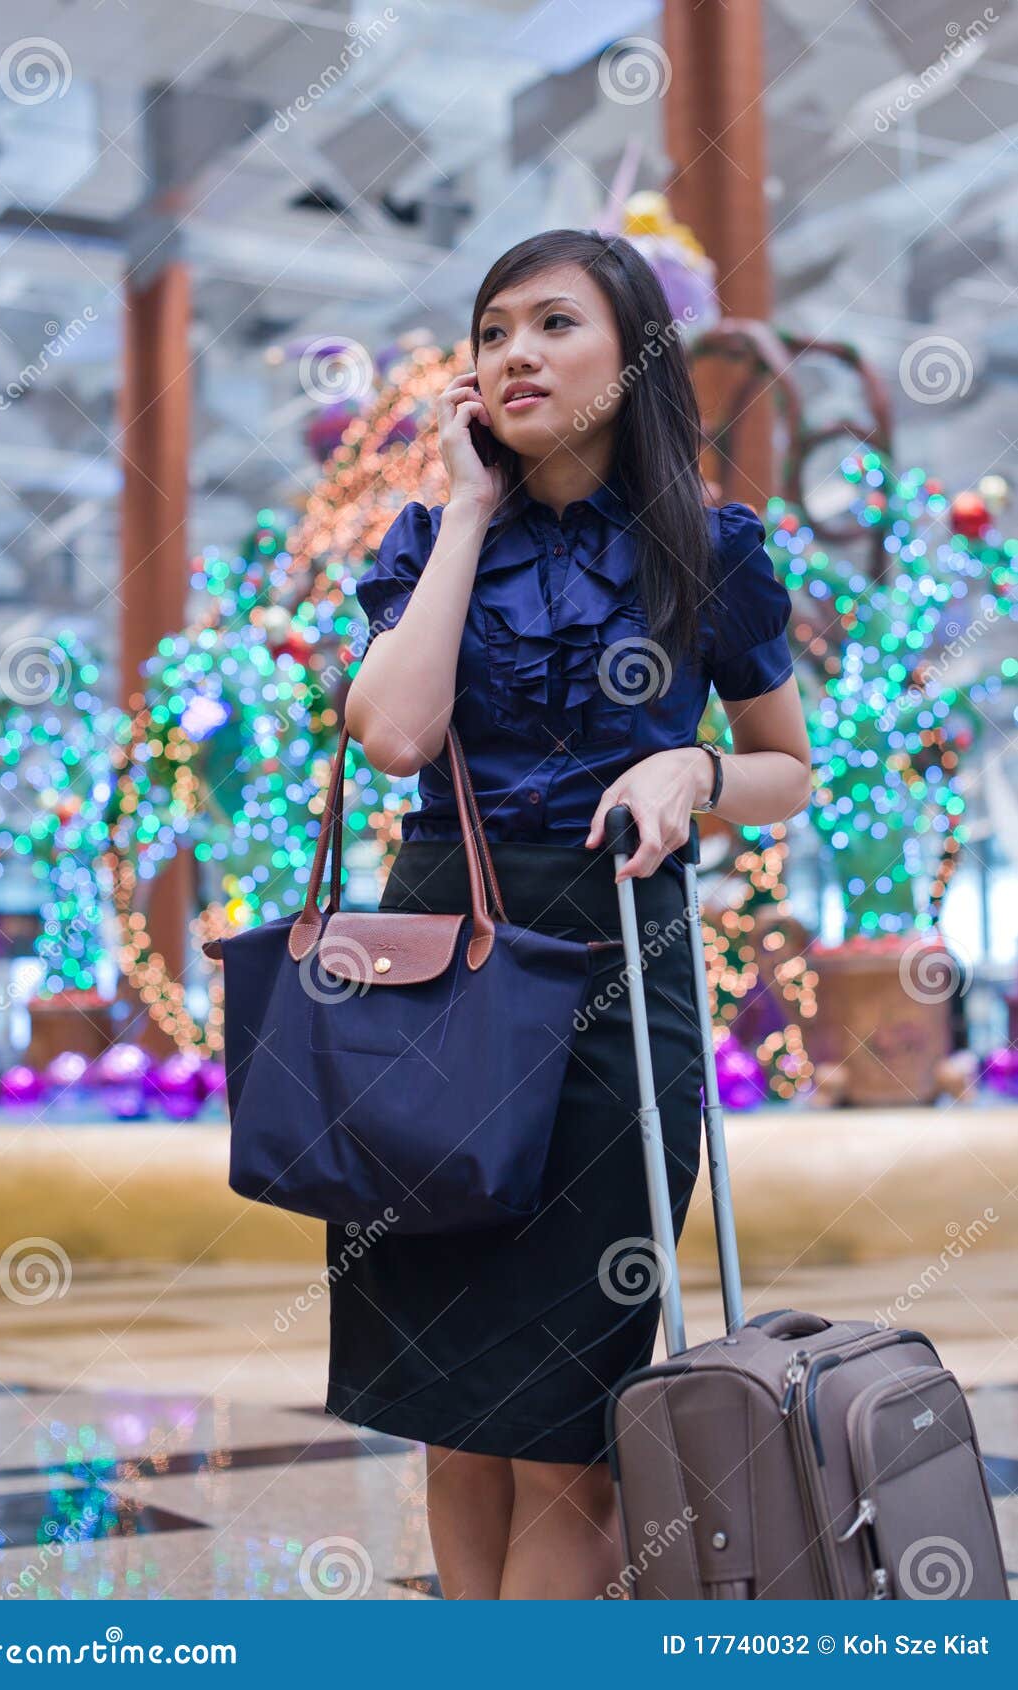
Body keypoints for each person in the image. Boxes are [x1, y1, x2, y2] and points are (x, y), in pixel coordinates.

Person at [332, 228, 812, 1600]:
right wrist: (470, 514)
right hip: (432, 970)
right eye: (492, 333)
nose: (513, 355)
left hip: (614, 965)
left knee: (561, 1418)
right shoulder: (430, 536)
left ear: (635, 354)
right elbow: (395, 735)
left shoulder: (708, 546)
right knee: (447, 1397)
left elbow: (786, 770)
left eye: (552, 324)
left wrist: (690, 764)